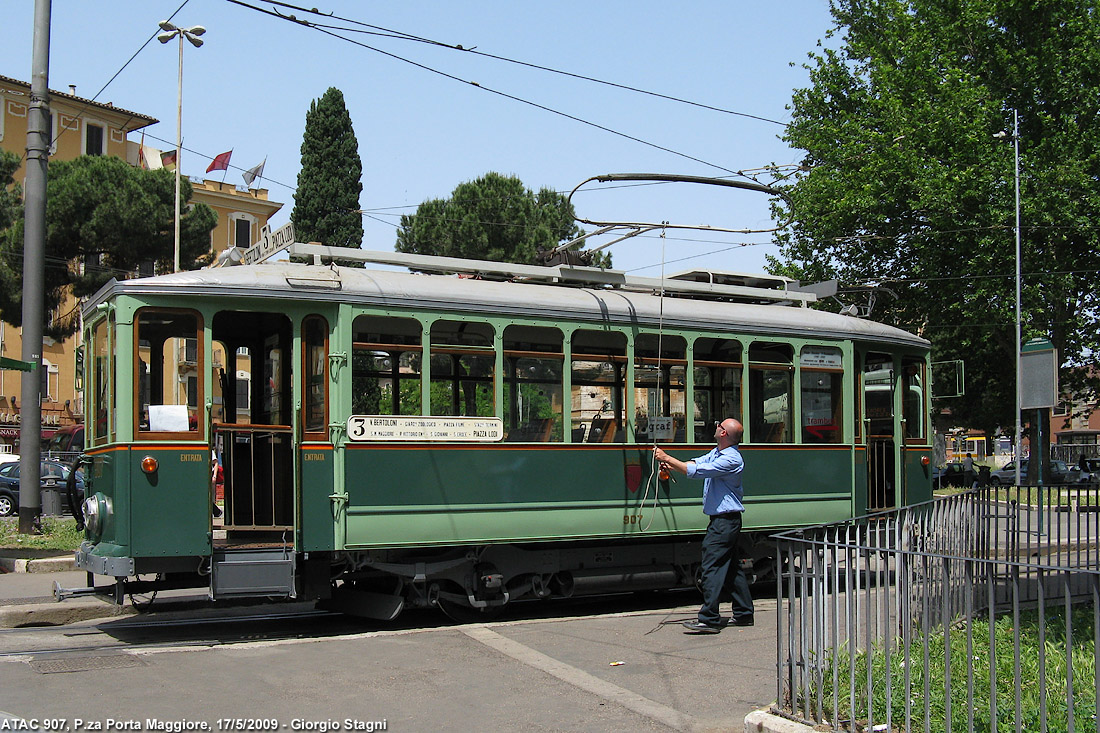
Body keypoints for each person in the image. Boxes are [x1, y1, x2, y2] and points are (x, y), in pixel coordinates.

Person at [654, 417, 754, 633]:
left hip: (725, 521)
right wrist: (671, 463)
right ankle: (744, 613)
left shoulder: (731, 459)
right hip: (725, 521)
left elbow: (699, 473)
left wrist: (667, 457)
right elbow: (696, 464)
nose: (716, 426)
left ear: (725, 433)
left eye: (719, 425)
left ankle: (709, 618)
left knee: (711, 567)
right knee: (731, 569)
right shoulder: (717, 452)